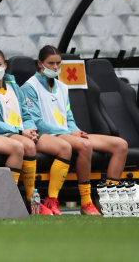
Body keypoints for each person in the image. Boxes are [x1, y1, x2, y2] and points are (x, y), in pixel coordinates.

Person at [22, 45, 129, 215]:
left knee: (121, 145)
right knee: (85, 146)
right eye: (51, 63)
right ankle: (85, 202)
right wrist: (68, 132)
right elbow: (36, 122)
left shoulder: (63, 87)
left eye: (58, 63)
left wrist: (76, 131)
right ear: (40, 64)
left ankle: (108, 201)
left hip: (66, 133)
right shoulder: (29, 87)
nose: (55, 67)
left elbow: (69, 117)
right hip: (48, 135)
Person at [0, 49, 52, 215]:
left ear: (5, 65)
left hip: (21, 131)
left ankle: (31, 200)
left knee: (31, 144)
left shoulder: (14, 86)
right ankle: (20, 198)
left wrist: (30, 128)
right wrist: (20, 130)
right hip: (1, 133)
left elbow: (26, 113)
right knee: (28, 146)